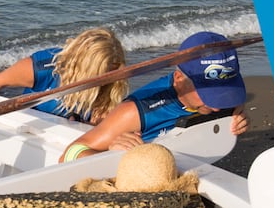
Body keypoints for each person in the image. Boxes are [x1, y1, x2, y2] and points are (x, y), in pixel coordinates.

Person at [60, 31, 249, 162]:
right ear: (178, 79)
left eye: (223, 95)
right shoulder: (135, 112)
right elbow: (69, 154)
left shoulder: (225, 93)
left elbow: (233, 106)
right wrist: (110, 155)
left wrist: (238, 116)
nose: (217, 107)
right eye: (208, 96)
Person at [0, 27, 128, 121]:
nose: (107, 79)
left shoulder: (112, 83)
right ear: (85, 65)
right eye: (103, 72)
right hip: (33, 122)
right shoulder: (43, 67)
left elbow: (99, 124)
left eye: (112, 72)